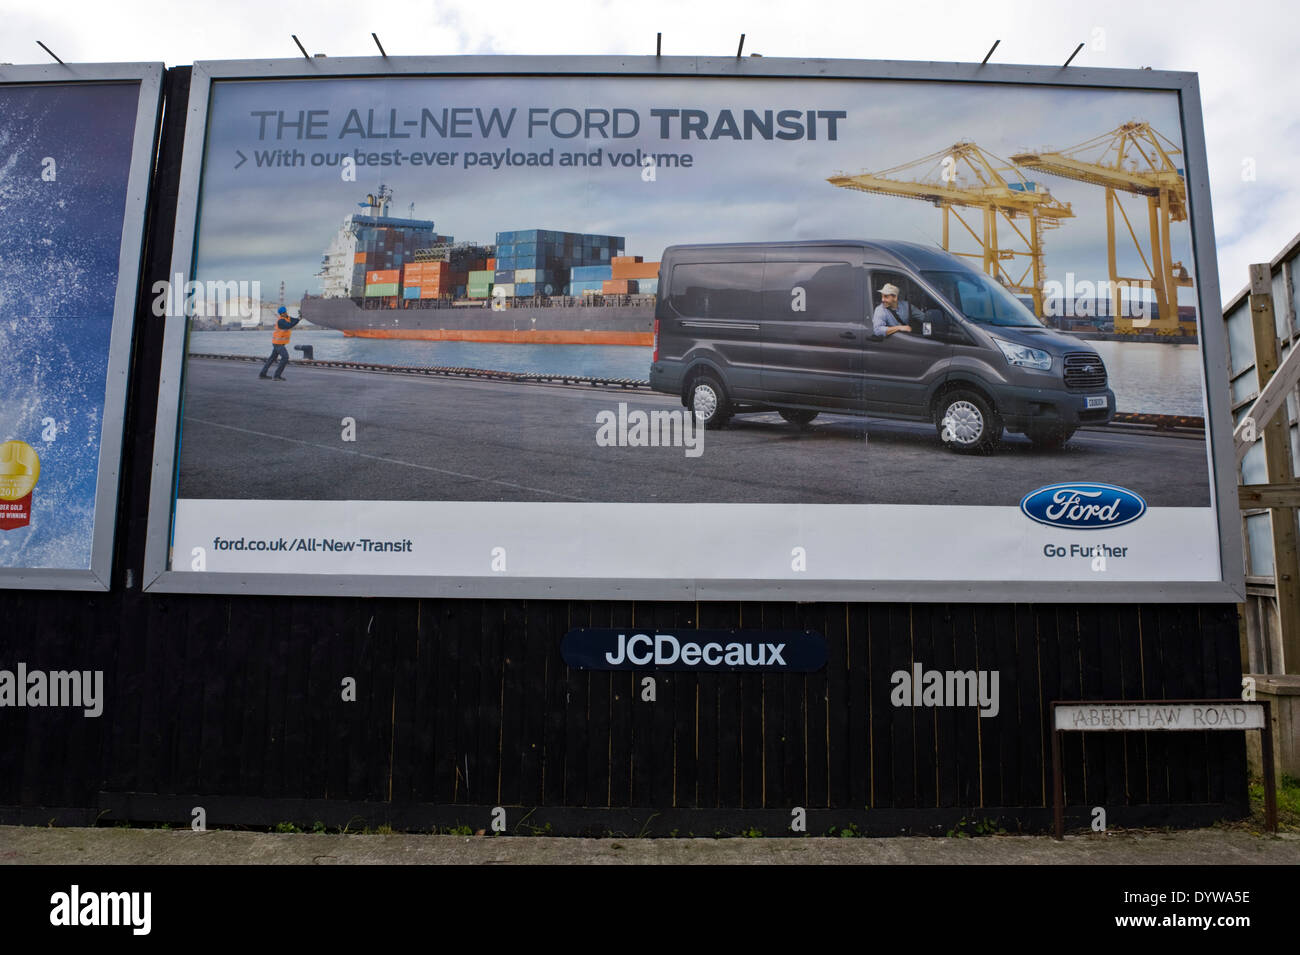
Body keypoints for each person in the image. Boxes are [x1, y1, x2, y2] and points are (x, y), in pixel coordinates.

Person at [259, 306, 301, 380]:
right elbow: (289, 326)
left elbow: (294, 320)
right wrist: (298, 319)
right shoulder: (281, 321)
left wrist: (299, 317)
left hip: (279, 343)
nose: (284, 314)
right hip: (278, 343)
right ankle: (276, 376)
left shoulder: (287, 318)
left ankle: (262, 374)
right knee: (285, 357)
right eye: (283, 313)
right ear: (281, 314)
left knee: (271, 359)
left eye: (285, 312)